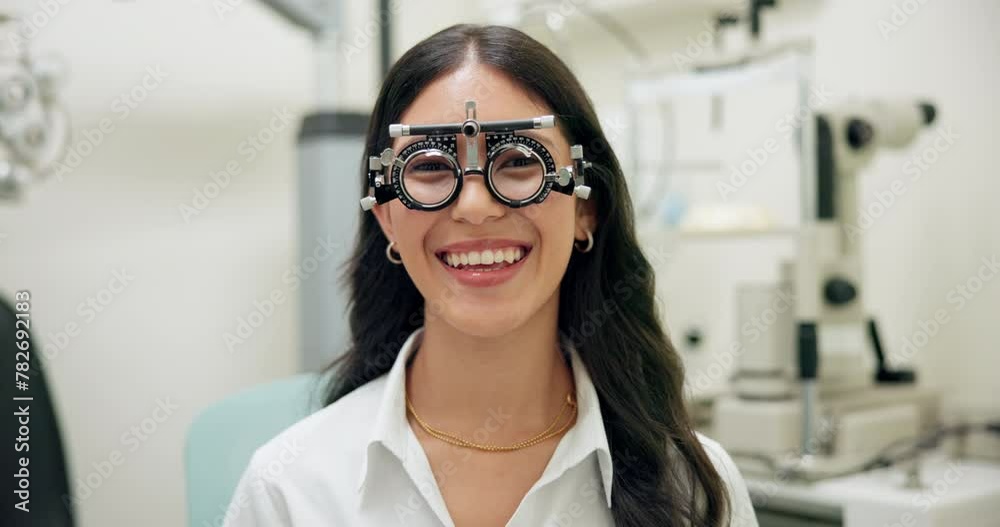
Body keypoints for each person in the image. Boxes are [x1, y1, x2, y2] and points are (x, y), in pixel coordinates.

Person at [225, 24, 759, 527]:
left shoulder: (692, 489)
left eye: (519, 160)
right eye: (431, 167)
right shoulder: (290, 489)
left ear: (585, 209)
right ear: (386, 215)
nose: (476, 206)